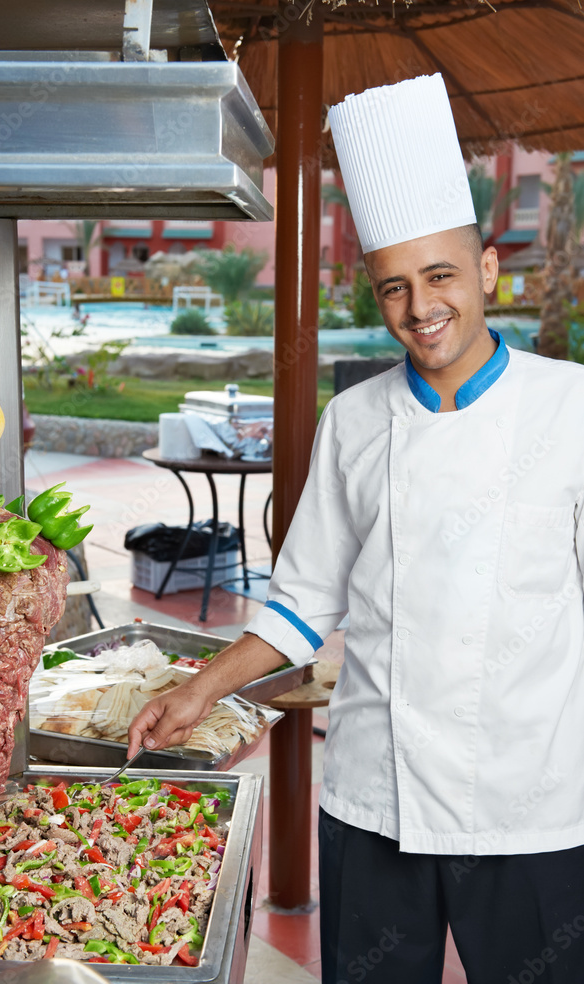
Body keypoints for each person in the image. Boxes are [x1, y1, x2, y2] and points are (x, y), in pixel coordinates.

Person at [127, 75, 584, 983]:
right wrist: (200, 691)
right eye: (394, 288)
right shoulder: (355, 419)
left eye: (442, 276)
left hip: (532, 802)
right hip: (373, 800)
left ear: (488, 270)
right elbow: (300, 600)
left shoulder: (570, 412)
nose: (421, 308)